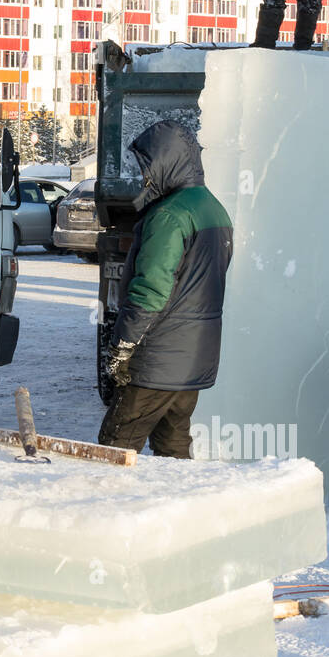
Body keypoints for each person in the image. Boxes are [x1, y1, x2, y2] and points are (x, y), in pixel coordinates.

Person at [98, 120, 233, 459]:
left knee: (115, 447)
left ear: (168, 162)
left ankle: (110, 511)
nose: (144, 176)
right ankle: (181, 511)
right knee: (173, 449)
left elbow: (151, 291)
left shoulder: (170, 216)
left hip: (158, 357)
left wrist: (122, 345)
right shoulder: (214, 209)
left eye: (148, 165)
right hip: (193, 358)